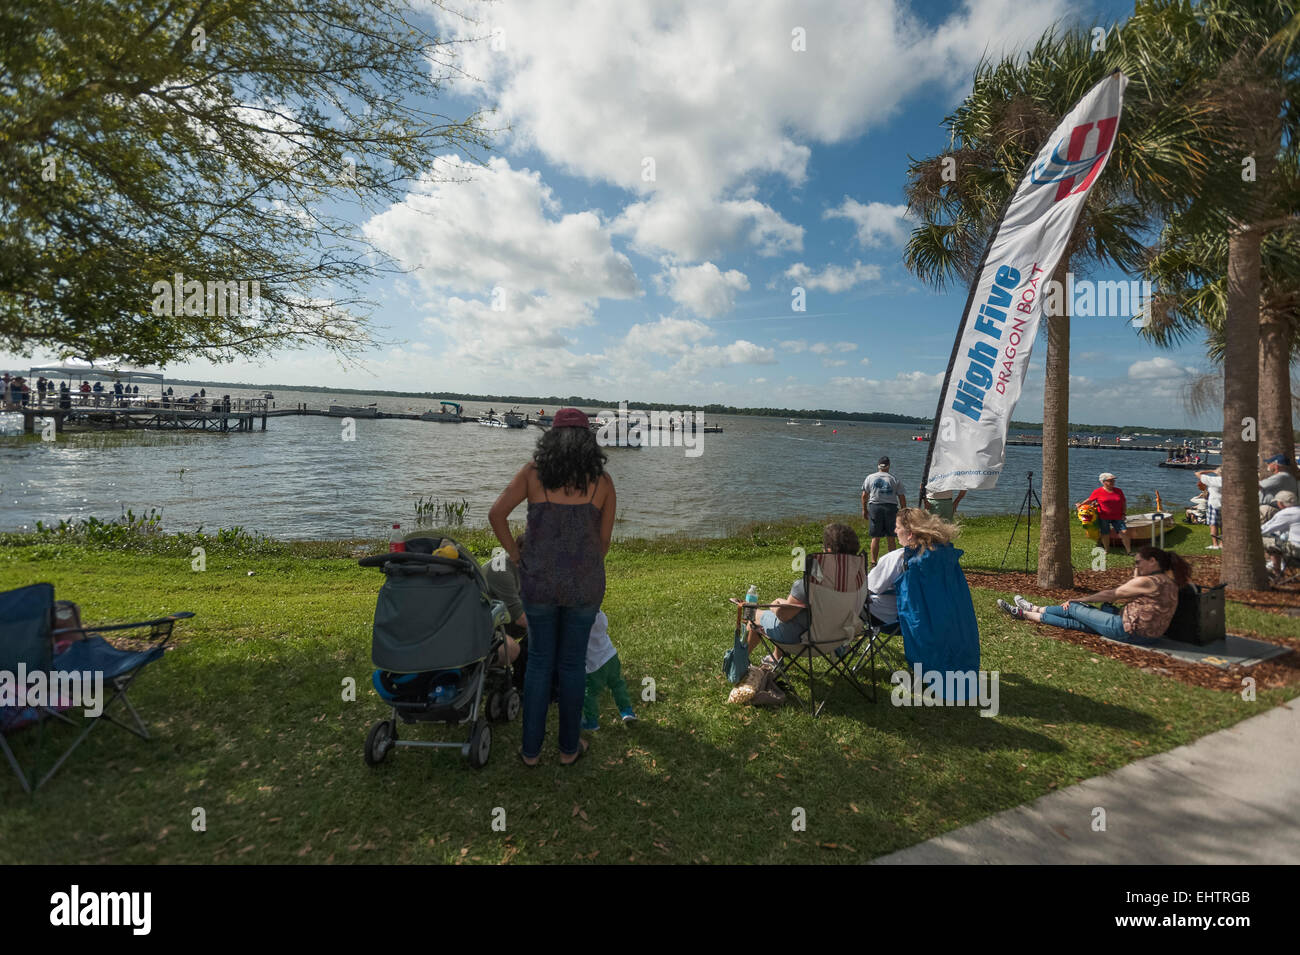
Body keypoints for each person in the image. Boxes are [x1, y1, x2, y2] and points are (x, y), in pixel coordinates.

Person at [489, 407, 615, 768]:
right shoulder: (603, 483)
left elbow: (496, 513)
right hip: (584, 584)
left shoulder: (532, 474)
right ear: (588, 441)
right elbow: (602, 543)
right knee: (573, 664)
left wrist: (516, 555)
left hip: (539, 584)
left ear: (550, 438)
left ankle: (530, 753)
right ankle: (568, 748)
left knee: (541, 662)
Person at [997, 546, 1191, 645]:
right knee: (1078, 623)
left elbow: (1112, 594)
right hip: (1149, 637)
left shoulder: (1148, 581)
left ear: (1152, 561)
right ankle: (1027, 613)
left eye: (1138, 562)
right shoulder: (1169, 581)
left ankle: (1034, 608)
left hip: (1127, 630)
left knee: (1074, 608)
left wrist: (1079, 600)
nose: (1136, 565)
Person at [744, 523, 868, 662]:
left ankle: (740, 663)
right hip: (839, 638)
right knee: (789, 607)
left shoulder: (810, 583)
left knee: (753, 615)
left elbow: (784, 616)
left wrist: (775, 606)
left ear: (827, 550)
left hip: (805, 641)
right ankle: (776, 657)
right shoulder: (860, 579)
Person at [581, 611, 636, 731]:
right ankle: (627, 711)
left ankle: (591, 721)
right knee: (618, 684)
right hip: (611, 656)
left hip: (594, 665)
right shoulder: (599, 614)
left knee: (589, 693)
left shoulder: (578, 622)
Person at [861, 456, 906, 565]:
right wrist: (903, 511)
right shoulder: (894, 479)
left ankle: (873, 561)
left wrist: (864, 510)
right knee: (891, 536)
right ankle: (893, 562)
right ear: (888, 466)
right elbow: (901, 497)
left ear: (878, 465)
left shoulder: (870, 478)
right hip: (890, 508)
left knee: (875, 537)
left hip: (875, 507)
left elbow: (864, 496)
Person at [1077, 472, 1132, 555]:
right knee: (1105, 533)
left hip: (1118, 516)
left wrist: (1124, 513)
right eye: (1110, 481)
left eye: (1113, 480)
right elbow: (1090, 500)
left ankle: (1129, 551)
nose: (1113, 482)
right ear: (1103, 482)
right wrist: (1081, 505)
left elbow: (1123, 502)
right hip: (1104, 517)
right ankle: (1107, 550)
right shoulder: (1097, 491)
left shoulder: (1118, 491)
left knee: (1124, 532)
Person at [1261, 490, 1300, 575]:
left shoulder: (1285, 513)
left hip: (1296, 552)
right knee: (1280, 541)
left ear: (1280, 504)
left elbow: (1262, 530)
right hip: (1295, 548)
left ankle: (1276, 572)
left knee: (1263, 539)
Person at [1259, 453, 1299, 522]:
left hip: (1270, 509)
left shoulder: (1281, 476)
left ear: (1276, 466)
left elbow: (1259, 485)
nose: (1268, 465)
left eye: (1269, 463)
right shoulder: (1287, 477)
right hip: (1276, 509)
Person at [1195, 466, 1223, 549]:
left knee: (1213, 525)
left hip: (1214, 503)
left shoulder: (1212, 480)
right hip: (1224, 504)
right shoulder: (1229, 481)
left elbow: (1197, 473)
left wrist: (1212, 470)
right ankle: (1222, 544)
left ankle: (1215, 545)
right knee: (1223, 525)